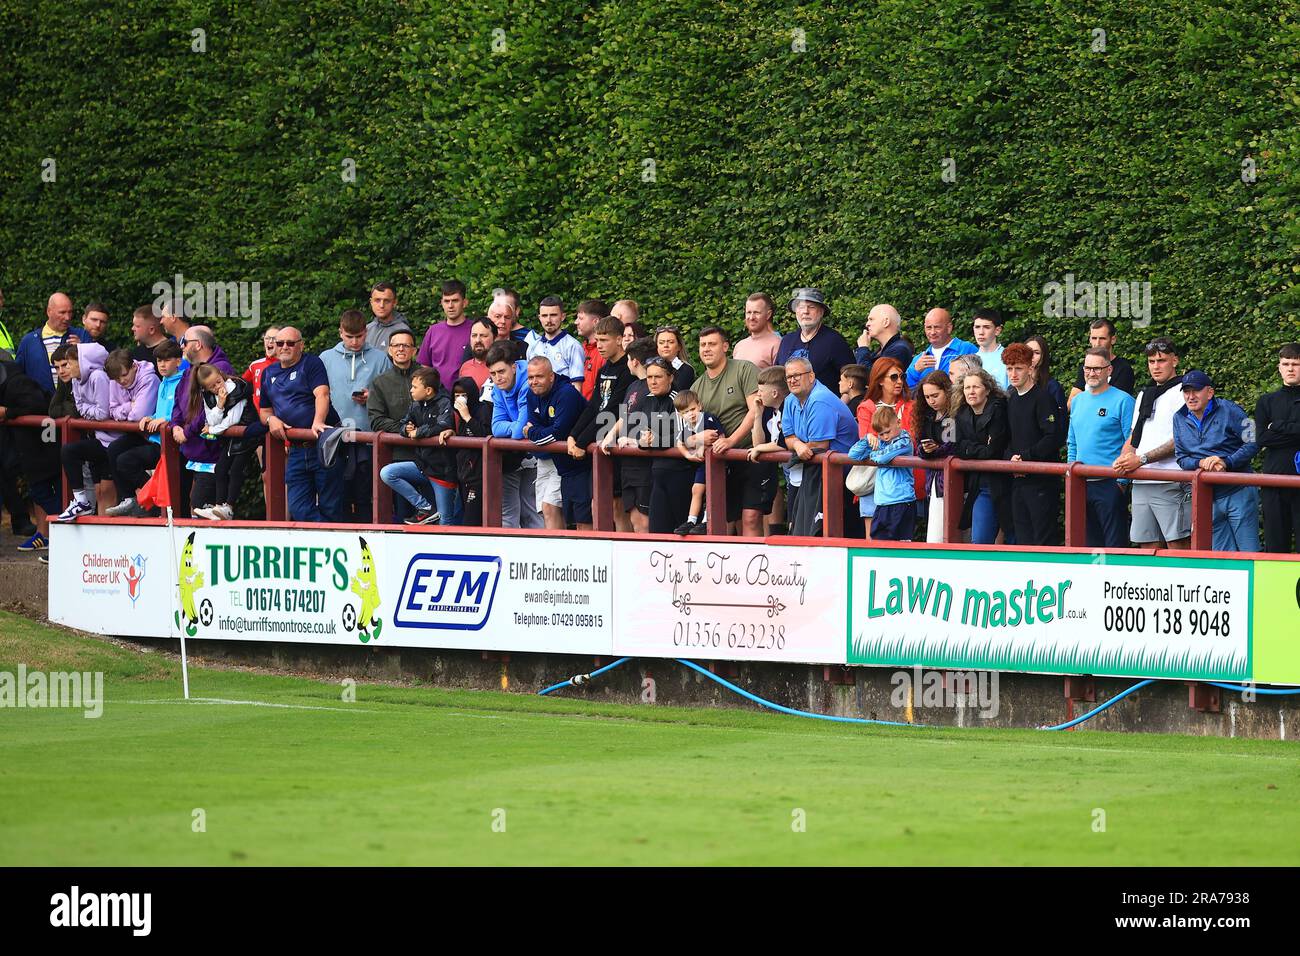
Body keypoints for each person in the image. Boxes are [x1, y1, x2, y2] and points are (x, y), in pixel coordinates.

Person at [1111, 337, 1189, 549]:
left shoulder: (1185, 392)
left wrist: (1142, 459)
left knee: (1178, 545)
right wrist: (1122, 460)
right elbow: (1134, 436)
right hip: (1141, 481)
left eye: (1161, 360)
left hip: (1171, 480)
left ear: (1175, 361)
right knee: (1147, 546)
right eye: (1151, 361)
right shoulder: (1144, 393)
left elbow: (1181, 439)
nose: (1156, 366)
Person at [259, 327, 344, 522]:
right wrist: (272, 420)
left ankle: (330, 541)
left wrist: (318, 422)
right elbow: (264, 411)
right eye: (280, 343)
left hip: (323, 445)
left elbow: (322, 394)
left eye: (290, 343)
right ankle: (325, 536)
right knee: (297, 507)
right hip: (296, 449)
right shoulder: (268, 372)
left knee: (331, 505)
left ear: (301, 345)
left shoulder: (312, 363)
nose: (284, 347)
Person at [1173, 371, 1260, 552]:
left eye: (1195, 391)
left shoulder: (1231, 410)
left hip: (1239, 491)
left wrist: (1226, 461)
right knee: (1221, 558)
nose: (1190, 396)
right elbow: (1181, 457)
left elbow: (1254, 441)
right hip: (1205, 497)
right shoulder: (1178, 417)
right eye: (1186, 392)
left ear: (1210, 392)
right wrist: (1201, 463)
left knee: (1249, 554)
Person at [322, 308, 391, 522]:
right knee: (336, 496)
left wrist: (373, 397)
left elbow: (391, 395)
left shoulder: (380, 359)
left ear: (366, 333)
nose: (354, 342)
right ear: (340, 332)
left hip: (368, 440)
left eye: (359, 336)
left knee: (366, 496)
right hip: (334, 438)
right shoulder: (325, 358)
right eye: (349, 337)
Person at [568, 317, 636, 531]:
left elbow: (613, 410)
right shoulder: (604, 369)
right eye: (597, 340)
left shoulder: (627, 370)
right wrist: (573, 435)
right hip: (599, 444)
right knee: (597, 502)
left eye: (604, 340)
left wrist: (581, 441)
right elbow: (593, 406)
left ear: (619, 340)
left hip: (618, 444)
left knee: (618, 506)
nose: (599, 345)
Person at [693, 325, 761, 535]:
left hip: (750, 453)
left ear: (725, 346)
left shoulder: (744, 369)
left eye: (712, 344)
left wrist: (731, 440)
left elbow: (755, 410)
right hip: (719, 462)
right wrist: (697, 439)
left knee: (750, 518)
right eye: (703, 345)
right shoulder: (696, 387)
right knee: (724, 522)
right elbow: (686, 430)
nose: (706, 349)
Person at [105, 340, 184, 518]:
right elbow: (114, 410)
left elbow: (183, 412)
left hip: (171, 443)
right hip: (155, 438)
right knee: (114, 450)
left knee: (126, 461)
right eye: (159, 361)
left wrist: (163, 419)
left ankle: (152, 499)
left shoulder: (182, 381)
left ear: (178, 361)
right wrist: (153, 417)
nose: (162, 365)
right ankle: (135, 499)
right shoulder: (165, 381)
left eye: (166, 361)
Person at [781, 355, 859, 537]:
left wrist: (798, 446)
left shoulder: (820, 399)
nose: (792, 380)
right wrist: (798, 445)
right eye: (788, 377)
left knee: (830, 535)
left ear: (811, 376)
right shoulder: (791, 399)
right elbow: (789, 437)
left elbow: (818, 446)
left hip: (842, 480)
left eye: (797, 375)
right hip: (816, 475)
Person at [1067, 347, 1135, 549]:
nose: (1091, 373)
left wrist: (1121, 483)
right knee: (1086, 545)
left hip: (1109, 483)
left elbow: (1131, 442)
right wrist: (1071, 474)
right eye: (1087, 368)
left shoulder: (1123, 400)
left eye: (1097, 368)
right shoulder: (1078, 400)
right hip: (1081, 484)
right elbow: (1072, 442)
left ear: (1109, 370)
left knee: (1114, 546)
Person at [378, 367, 455, 525]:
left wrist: (418, 432)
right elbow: (403, 423)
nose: (411, 390)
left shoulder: (444, 402)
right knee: (387, 473)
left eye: (414, 387)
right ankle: (424, 507)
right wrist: (407, 429)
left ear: (427, 390)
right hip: (422, 464)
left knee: (445, 519)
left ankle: (446, 549)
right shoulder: (416, 405)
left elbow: (444, 424)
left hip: (442, 469)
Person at [170, 326, 233, 515]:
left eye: (184, 343)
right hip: (193, 453)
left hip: (212, 456)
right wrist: (175, 427)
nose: (181, 347)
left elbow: (209, 410)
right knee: (195, 508)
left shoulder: (220, 370)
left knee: (200, 512)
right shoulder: (189, 371)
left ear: (197, 345)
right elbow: (177, 402)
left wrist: (186, 432)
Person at [1003, 343, 1062, 546]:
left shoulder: (1043, 398)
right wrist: (1011, 459)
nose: (1013, 373)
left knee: (1043, 538)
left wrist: (1025, 458)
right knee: (1022, 537)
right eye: (1009, 368)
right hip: (1018, 479)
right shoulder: (1010, 398)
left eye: (1018, 368)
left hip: (1041, 481)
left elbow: (1053, 437)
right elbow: (1006, 435)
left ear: (1030, 367)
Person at [0, 359, 60, 551]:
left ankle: (64, 530)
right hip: (26, 447)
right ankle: (48, 534)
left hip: (42, 444)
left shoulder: (17, 383)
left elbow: (39, 405)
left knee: (43, 490)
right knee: (38, 490)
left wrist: (8, 412)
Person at [524, 356, 590, 530]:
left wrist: (531, 432)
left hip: (576, 464)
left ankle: (559, 556)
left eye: (539, 376)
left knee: (554, 509)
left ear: (551, 376)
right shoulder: (531, 393)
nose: (534, 382)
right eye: (530, 377)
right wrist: (537, 432)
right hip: (546, 459)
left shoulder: (566, 394)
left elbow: (557, 434)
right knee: (546, 510)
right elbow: (539, 426)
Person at [51, 343, 116, 521]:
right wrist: (89, 410)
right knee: (99, 491)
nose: (65, 369)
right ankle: (82, 502)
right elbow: (78, 409)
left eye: (69, 363)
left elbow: (102, 413)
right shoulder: (75, 380)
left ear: (82, 361)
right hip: (97, 438)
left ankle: (108, 540)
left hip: (111, 441)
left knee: (107, 492)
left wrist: (88, 411)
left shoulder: (98, 377)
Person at [600, 337, 657, 534]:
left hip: (645, 466)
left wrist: (634, 440)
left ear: (634, 361)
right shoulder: (633, 386)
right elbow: (624, 416)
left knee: (644, 521)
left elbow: (659, 424)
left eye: (628, 359)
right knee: (633, 517)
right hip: (627, 465)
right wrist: (610, 435)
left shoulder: (653, 386)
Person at [485, 342, 545, 530]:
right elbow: (496, 428)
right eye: (493, 374)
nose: (497, 378)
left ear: (514, 367)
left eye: (501, 371)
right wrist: (515, 427)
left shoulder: (529, 382)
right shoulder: (497, 389)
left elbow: (520, 430)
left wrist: (512, 428)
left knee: (534, 512)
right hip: (515, 455)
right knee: (508, 514)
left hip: (541, 454)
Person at [367, 330, 424, 522]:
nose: (401, 349)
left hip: (431, 456)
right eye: (396, 346)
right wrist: (404, 428)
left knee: (435, 513)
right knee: (404, 515)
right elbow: (376, 420)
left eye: (406, 345)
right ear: (390, 350)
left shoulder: (429, 376)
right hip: (398, 457)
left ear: (414, 350)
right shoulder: (380, 383)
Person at [192, 364, 260, 521]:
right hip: (229, 439)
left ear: (221, 375)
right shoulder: (209, 396)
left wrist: (213, 430)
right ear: (206, 389)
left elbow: (232, 420)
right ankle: (219, 506)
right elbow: (211, 419)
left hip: (246, 436)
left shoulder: (236, 388)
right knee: (220, 469)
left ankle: (228, 507)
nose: (217, 387)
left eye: (218, 382)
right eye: (212, 387)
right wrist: (220, 405)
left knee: (236, 470)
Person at [855, 358, 914, 538]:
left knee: (902, 542)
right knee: (873, 540)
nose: (899, 381)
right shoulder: (867, 407)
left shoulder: (910, 405)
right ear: (880, 380)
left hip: (900, 487)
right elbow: (865, 442)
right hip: (873, 482)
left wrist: (878, 442)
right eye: (894, 377)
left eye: (902, 377)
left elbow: (910, 438)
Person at [638, 358, 695, 534]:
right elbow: (637, 431)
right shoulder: (647, 400)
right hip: (657, 475)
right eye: (649, 377)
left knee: (683, 533)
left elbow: (684, 435)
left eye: (658, 377)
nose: (652, 382)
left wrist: (654, 441)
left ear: (670, 378)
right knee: (657, 532)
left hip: (680, 474)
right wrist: (641, 442)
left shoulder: (678, 399)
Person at [1255, 343, 1300, 552]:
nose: (1290, 369)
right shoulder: (1266, 401)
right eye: (1286, 364)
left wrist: (1279, 426)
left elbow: (1271, 433)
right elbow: (1262, 437)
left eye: (1296, 364)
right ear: (1279, 367)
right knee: (1275, 547)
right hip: (1273, 481)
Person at [848, 405, 917, 541]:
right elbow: (853, 454)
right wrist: (868, 438)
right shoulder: (880, 442)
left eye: (888, 432)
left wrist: (872, 453)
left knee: (901, 547)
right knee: (878, 545)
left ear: (898, 422)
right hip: (882, 502)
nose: (885, 437)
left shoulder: (904, 441)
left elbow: (881, 458)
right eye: (881, 434)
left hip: (902, 502)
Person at [776, 288, 855, 395]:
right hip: (791, 408)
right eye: (801, 307)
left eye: (811, 307)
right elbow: (777, 376)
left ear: (821, 312)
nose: (805, 311)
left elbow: (852, 380)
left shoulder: (834, 341)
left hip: (824, 407)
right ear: (796, 311)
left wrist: (840, 407)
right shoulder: (787, 341)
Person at [670, 390, 725, 535]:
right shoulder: (687, 426)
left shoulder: (708, 419)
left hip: (716, 464)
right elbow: (680, 443)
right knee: (696, 489)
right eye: (686, 412)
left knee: (710, 491)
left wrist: (702, 447)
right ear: (680, 415)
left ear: (699, 406)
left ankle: (707, 520)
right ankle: (691, 520)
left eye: (693, 409)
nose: (691, 414)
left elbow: (720, 437)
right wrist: (688, 455)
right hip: (702, 464)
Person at [744, 364, 790, 533]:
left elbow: (782, 443)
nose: (758, 394)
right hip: (790, 472)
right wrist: (757, 414)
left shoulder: (788, 408)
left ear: (775, 393)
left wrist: (760, 448)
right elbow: (758, 442)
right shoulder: (770, 411)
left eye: (761, 390)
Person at [15, 292, 88, 394]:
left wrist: (82, 350)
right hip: (38, 407)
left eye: (70, 312)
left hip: (74, 405)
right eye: (62, 312)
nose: (67, 317)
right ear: (49, 312)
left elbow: (96, 368)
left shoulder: (82, 335)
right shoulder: (29, 341)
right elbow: (17, 377)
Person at [914, 370, 955, 543]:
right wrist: (926, 450)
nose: (931, 401)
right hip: (933, 482)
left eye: (935, 395)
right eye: (927, 397)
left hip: (949, 481)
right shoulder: (927, 416)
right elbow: (919, 445)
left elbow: (950, 446)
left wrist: (933, 450)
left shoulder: (952, 415)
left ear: (947, 390)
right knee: (934, 533)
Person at [450, 376, 493, 526]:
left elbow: (485, 435)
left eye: (464, 395)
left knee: (472, 521)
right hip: (464, 475)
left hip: (480, 476)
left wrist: (468, 417)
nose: (460, 399)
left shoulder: (484, 410)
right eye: (457, 396)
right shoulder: (456, 415)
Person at [417, 280, 474, 390]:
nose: (450, 306)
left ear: (465, 302)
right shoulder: (433, 331)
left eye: (455, 301)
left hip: (465, 394)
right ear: (441, 303)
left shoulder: (475, 331)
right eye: (446, 301)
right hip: (437, 397)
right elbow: (425, 368)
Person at [905, 308, 977, 390]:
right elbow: (905, 389)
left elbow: (980, 382)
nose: (932, 332)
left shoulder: (966, 349)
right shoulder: (919, 359)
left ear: (949, 328)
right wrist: (915, 370)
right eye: (929, 328)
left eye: (937, 327)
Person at [1069, 319, 1135, 406]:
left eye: (1102, 338)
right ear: (1090, 340)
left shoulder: (1123, 369)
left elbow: (1116, 404)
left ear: (1113, 339)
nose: (1097, 343)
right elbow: (1071, 403)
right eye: (1094, 338)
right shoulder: (1086, 367)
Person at [526, 296, 585, 392]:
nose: (548, 320)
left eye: (553, 315)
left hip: (563, 402)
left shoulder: (573, 346)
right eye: (544, 316)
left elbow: (577, 387)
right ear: (539, 318)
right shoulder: (533, 347)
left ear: (562, 317)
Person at [1024, 333, 1068, 445]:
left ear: (1043, 356)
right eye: (1028, 351)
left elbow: (1061, 426)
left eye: (1036, 352)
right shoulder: (1013, 388)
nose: (1031, 356)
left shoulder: (1053, 387)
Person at [855, 303, 913, 374]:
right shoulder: (884, 349)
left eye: (871, 319)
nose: (867, 324)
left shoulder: (899, 350)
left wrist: (863, 349)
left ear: (886, 322)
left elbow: (874, 378)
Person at [732, 293, 781, 369]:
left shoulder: (777, 345)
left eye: (756, 312)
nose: (751, 317)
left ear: (768, 315)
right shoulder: (739, 346)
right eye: (748, 312)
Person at [487, 289, 537, 358]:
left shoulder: (530, 338)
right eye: (498, 305)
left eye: (507, 306)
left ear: (517, 311)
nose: (502, 309)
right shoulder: (484, 337)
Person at [575, 299, 609, 401]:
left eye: (581, 318)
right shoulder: (581, 348)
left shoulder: (604, 352)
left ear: (596, 322)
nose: (576, 322)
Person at [242, 325, 281, 411]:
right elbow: (241, 386)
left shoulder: (288, 364)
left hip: (282, 416)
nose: (270, 341)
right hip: (257, 417)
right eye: (267, 338)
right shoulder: (255, 365)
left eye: (274, 339)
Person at [364, 281, 413, 350]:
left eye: (386, 301)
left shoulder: (402, 331)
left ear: (394, 302)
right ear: (371, 302)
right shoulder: (367, 330)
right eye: (377, 300)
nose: (381, 305)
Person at [971, 308, 1007, 389]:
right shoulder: (969, 360)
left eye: (986, 327)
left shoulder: (1007, 357)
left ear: (997, 330)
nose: (981, 332)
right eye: (977, 327)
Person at [459, 317, 496, 390]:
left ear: (494, 338)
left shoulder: (501, 367)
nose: (478, 340)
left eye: (483, 336)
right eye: (474, 336)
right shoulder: (465, 367)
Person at [655, 325, 695, 392]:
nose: (665, 346)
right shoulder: (651, 368)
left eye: (671, 342)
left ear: (679, 346)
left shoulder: (686, 370)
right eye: (661, 342)